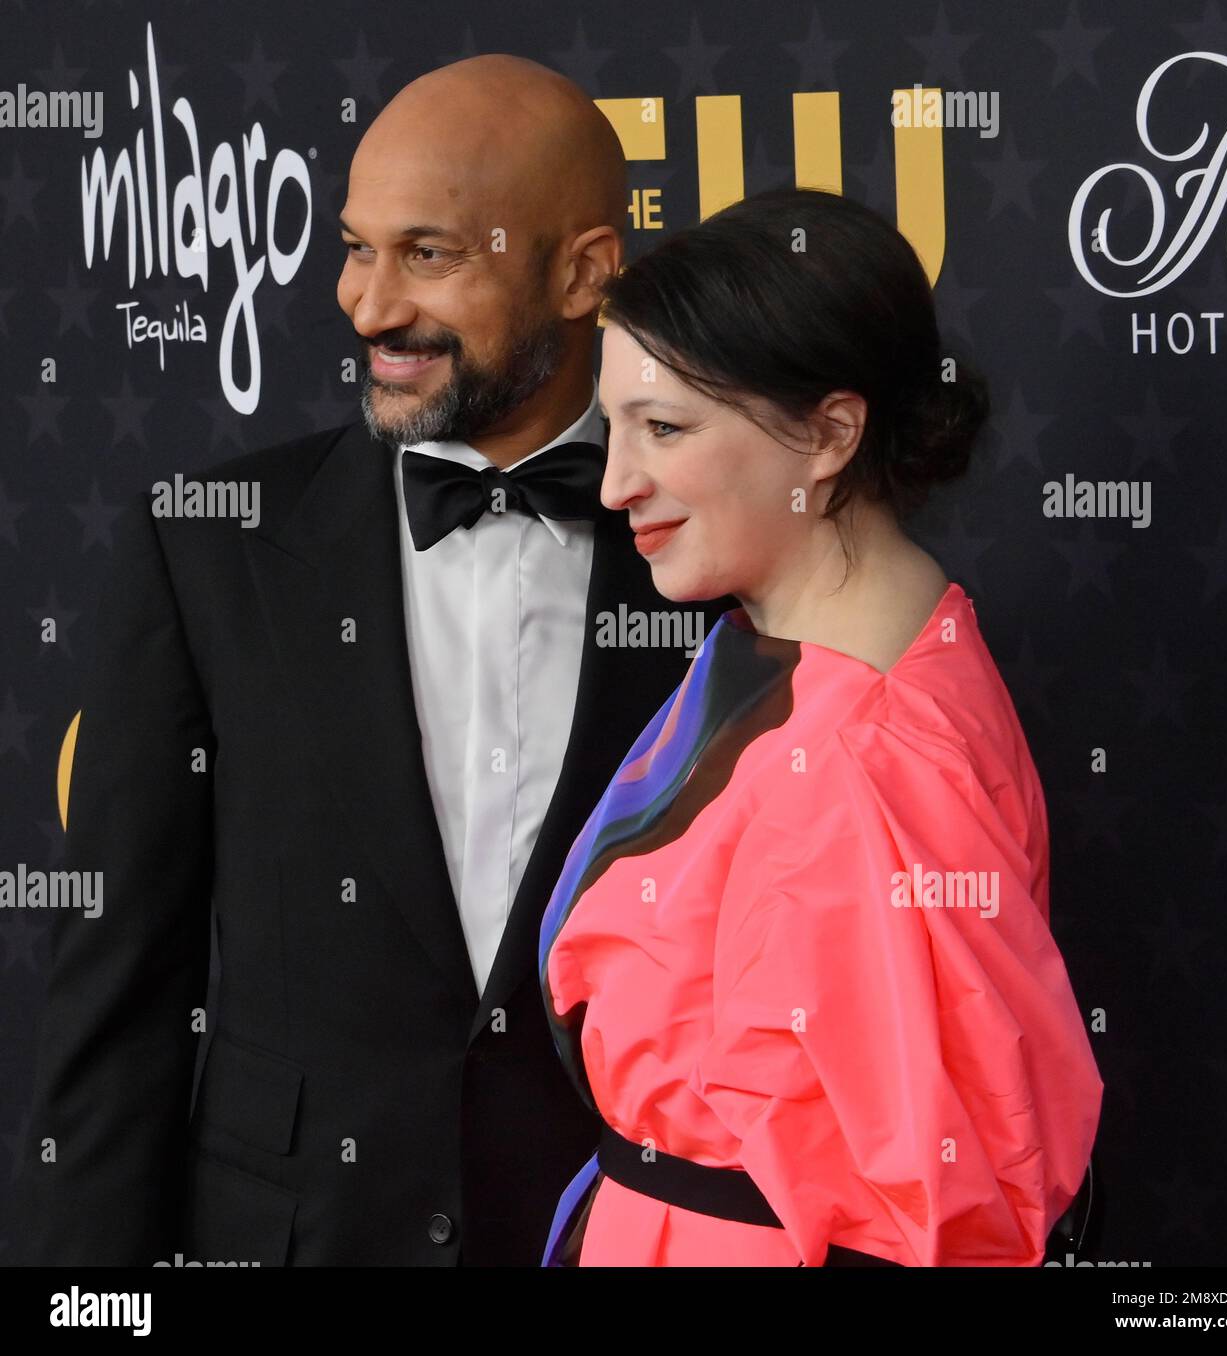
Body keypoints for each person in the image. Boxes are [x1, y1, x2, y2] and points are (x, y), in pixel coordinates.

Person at [13, 54, 728, 1267]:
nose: (367, 305)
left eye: (429, 255)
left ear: (584, 270)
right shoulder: (207, 547)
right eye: (356, 247)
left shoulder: (719, 561)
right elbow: (119, 999)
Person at [538, 186, 1104, 1267]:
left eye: (663, 429)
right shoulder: (812, 646)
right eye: (609, 428)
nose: (614, 484)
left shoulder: (861, 757)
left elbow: (947, 1215)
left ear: (829, 435)